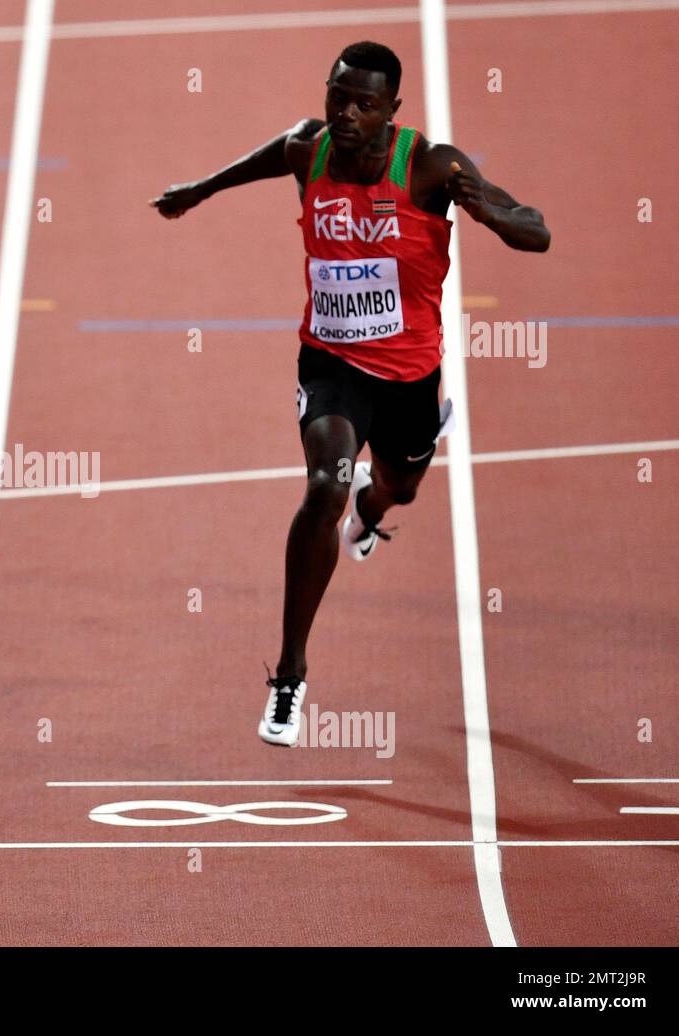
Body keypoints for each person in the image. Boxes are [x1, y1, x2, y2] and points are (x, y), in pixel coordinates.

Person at [150, 42, 548, 746]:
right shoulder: (312, 150)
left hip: (410, 377)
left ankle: (374, 504)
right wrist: (200, 190)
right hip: (332, 365)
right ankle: (291, 674)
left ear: (392, 111)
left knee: (400, 484)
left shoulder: (431, 166)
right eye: (339, 96)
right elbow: (275, 152)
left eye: (365, 103)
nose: (347, 112)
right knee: (321, 488)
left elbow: (537, 234)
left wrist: (488, 209)